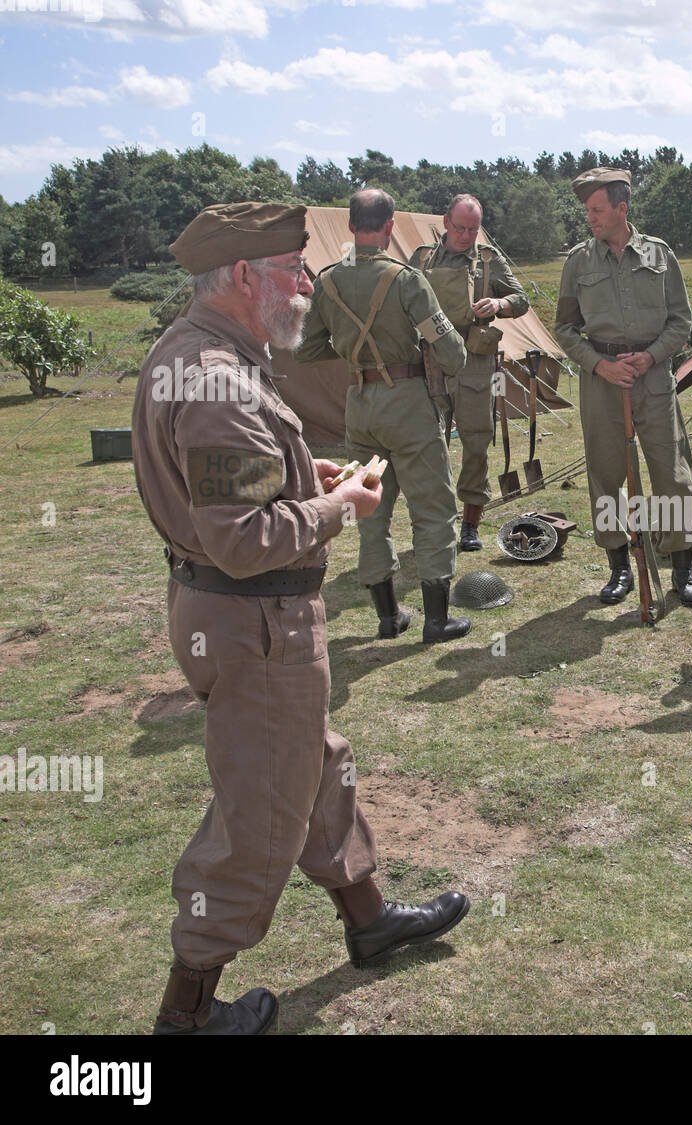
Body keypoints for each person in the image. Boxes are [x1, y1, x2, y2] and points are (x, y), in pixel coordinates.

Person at [133, 202, 469, 1035]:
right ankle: (188, 1010)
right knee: (259, 818)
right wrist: (335, 507)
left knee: (318, 767)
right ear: (243, 277)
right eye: (293, 271)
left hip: (233, 614)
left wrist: (297, 474)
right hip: (258, 621)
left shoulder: (201, 354)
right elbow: (244, 539)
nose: (306, 288)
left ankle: (370, 920)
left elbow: (228, 494)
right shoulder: (217, 379)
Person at [297, 188, 471, 642]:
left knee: (370, 508)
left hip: (360, 406)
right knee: (433, 509)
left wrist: (355, 351)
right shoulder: (406, 279)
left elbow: (308, 348)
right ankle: (437, 620)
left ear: (352, 226)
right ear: (390, 226)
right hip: (409, 405)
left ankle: (388, 617)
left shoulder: (328, 281)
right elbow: (453, 353)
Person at [553, 167, 692, 608]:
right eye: (587, 211)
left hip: (653, 380)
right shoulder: (578, 262)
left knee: (672, 475)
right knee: (606, 477)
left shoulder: (661, 255)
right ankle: (619, 566)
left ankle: (681, 568)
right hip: (602, 383)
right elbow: (564, 328)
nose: (590, 218)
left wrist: (652, 355)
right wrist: (599, 365)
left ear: (622, 208)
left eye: (597, 210)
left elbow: (681, 321)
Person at [408, 194, 529, 551]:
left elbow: (521, 299)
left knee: (476, 441)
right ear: (446, 222)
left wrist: (499, 303)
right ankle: (432, 524)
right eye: (459, 228)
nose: (465, 236)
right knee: (429, 445)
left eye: (473, 229)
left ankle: (470, 523)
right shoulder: (422, 258)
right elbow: (401, 298)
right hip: (430, 358)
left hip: (475, 360)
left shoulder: (490, 261)